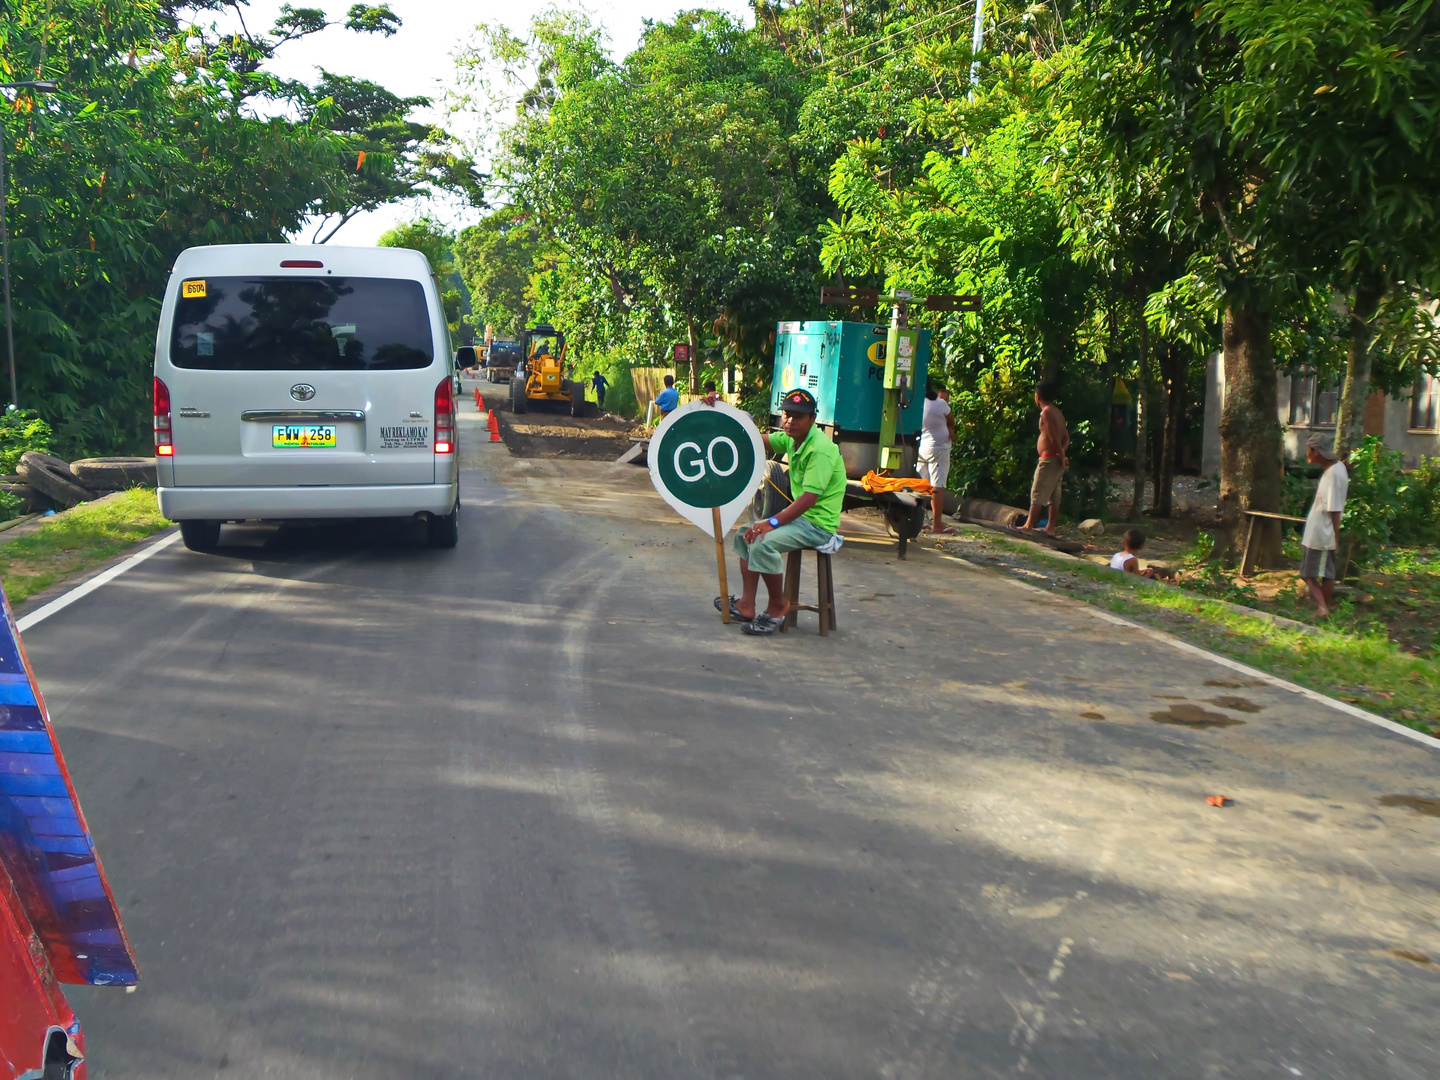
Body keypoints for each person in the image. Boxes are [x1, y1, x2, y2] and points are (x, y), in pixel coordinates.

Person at [720, 388, 846, 636]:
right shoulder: (791, 438)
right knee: (746, 532)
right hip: (801, 520)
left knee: (763, 541)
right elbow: (756, 439)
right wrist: (719, 411)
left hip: (817, 525)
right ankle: (746, 604)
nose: (790, 421)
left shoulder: (819, 449)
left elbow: (809, 499)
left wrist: (773, 522)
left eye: (798, 416)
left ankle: (778, 605)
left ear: (812, 419)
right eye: (787, 414)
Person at [1300, 431, 1349, 617]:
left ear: (1316, 452)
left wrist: (1335, 538)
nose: (1307, 454)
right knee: (1321, 572)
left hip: (1322, 533)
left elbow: (1335, 509)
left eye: (1308, 450)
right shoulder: (1334, 470)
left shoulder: (1334, 474)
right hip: (1318, 531)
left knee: (1310, 573)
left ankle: (1323, 608)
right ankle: (1323, 608)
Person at [1019, 380, 1069, 536]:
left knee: (1038, 491)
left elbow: (1053, 436)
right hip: (1057, 458)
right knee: (1054, 494)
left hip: (1049, 458)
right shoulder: (1058, 412)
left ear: (1037, 396)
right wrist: (1063, 454)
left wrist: (1060, 454)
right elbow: (1066, 437)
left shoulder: (1046, 412)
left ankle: (1028, 525)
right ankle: (1050, 527)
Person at [918, 381, 956, 534]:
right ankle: (937, 524)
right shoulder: (939, 404)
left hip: (922, 448)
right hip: (938, 449)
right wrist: (950, 430)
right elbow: (951, 420)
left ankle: (919, 520)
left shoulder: (919, 404)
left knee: (922, 484)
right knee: (937, 486)